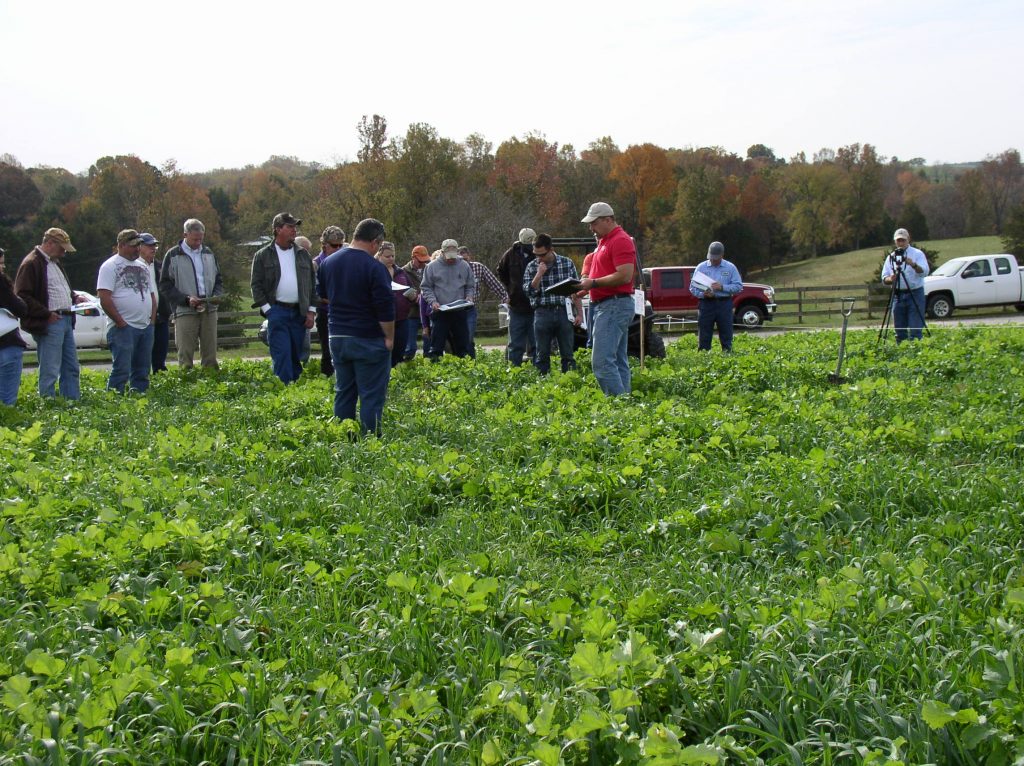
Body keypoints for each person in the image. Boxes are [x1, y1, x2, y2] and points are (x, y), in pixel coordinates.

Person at [317, 218, 394, 436]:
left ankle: (344, 437)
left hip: (337, 336)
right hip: (367, 337)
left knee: (344, 391)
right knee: (371, 394)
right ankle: (371, 440)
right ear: (375, 242)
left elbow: (323, 296)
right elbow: (385, 307)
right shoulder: (374, 267)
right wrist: (389, 337)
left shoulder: (328, 263)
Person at [14, 227, 87, 399]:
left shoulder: (54, 263)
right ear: (49, 243)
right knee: (50, 368)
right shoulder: (31, 263)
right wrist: (46, 314)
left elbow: (59, 289)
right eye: (62, 248)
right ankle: (47, 402)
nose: (63, 253)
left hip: (66, 319)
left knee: (71, 366)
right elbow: (22, 295)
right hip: (50, 322)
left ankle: (71, 400)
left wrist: (74, 297)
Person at [576, 202, 636, 396]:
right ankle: (626, 404)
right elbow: (601, 271)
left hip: (613, 305)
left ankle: (619, 408)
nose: (591, 228)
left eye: (594, 223)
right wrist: (585, 286)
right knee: (617, 361)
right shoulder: (604, 241)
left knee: (601, 363)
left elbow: (625, 275)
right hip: (609, 304)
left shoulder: (620, 240)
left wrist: (593, 284)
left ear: (608, 220)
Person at [250, 212, 316, 383]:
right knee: (282, 354)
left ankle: (294, 390)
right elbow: (256, 286)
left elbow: (312, 285)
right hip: (277, 311)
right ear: (278, 229)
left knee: (296, 354)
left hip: (299, 312)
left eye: (295, 227)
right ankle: (283, 389)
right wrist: (268, 310)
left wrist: (311, 312)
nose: (294, 230)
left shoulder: (303, 254)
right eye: (290, 226)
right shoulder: (263, 255)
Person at [97, 230, 157, 393]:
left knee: (142, 369)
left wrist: (151, 321)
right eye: (132, 246)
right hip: (123, 327)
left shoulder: (143, 266)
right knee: (122, 368)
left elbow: (151, 295)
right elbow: (105, 298)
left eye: (138, 245)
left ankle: (139, 397)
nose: (137, 249)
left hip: (145, 326)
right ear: (121, 245)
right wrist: (121, 323)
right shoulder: (110, 266)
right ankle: (115, 398)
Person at [159, 219, 224, 370]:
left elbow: (218, 279)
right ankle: (186, 381)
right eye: (195, 239)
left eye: (201, 238)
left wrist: (216, 295)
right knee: (185, 352)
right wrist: (185, 299)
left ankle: (211, 379)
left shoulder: (208, 253)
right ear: (185, 235)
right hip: (185, 310)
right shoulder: (173, 255)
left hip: (209, 308)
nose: (198, 242)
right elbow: (165, 285)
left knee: (210, 351)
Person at [522, 234, 583, 375]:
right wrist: (539, 275)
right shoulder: (532, 266)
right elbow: (528, 292)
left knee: (567, 354)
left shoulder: (567, 263)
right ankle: (543, 385)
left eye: (542, 254)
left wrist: (579, 313)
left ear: (551, 249)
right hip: (542, 313)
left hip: (563, 311)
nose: (539, 258)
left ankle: (569, 382)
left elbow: (576, 290)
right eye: (536, 254)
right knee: (541, 354)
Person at [420, 239, 476, 360]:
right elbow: (426, 287)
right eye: (448, 256)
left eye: (453, 256)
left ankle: (463, 372)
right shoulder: (431, 267)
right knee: (437, 347)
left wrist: (469, 296)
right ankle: (437, 372)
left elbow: (470, 285)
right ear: (442, 252)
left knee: (462, 347)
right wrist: (433, 301)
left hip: (459, 312)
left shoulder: (464, 266)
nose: (451, 259)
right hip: (440, 312)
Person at [690, 241, 743, 352]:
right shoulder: (701, 267)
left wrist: (722, 287)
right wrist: (702, 294)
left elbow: (738, 286)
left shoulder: (730, 268)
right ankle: (704, 359)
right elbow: (692, 287)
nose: (713, 260)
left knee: (726, 335)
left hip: (724, 304)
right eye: (711, 257)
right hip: (706, 304)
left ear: (722, 255)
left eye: (716, 258)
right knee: (704, 335)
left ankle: (727, 358)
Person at [881, 227, 929, 343]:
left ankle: (917, 351)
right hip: (898, 295)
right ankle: (902, 350)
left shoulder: (917, 254)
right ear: (895, 241)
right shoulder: (891, 257)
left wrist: (913, 264)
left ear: (908, 240)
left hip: (915, 293)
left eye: (903, 240)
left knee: (915, 328)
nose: (901, 243)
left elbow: (924, 272)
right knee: (899, 329)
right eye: (898, 240)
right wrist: (891, 279)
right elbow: (884, 278)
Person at [497, 228, 537, 365]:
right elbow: (501, 270)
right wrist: (509, 288)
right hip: (516, 305)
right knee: (515, 343)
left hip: (534, 305)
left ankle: (539, 370)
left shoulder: (539, 254)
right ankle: (514, 370)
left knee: (536, 342)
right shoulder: (510, 254)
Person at [376, 241, 416, 367]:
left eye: (393, 256)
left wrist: (413, 296)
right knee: (383, 352)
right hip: (381, 320)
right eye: (387, 256)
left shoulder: (401, 272)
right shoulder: (374, 271)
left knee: (399, 351)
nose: (391, 259)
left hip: (401, 319)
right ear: (379, 255)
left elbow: (410, 288)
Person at [460, 245, 507, 350]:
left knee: (469, 338)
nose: (464, 263)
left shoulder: (478, 268)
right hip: (455, 310)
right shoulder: (453, 269)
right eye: (461, 260)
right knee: (457, 339)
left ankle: (470, 362)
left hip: (470, 308)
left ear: (470, 257)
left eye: (465, 259)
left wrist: (505, 296)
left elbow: (493, 283)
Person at [314, 226, 346, 376]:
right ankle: (327, 379)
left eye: (341, 245)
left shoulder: (346, 262)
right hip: (325, 312)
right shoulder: (316, 264)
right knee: (327, 350)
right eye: (335, 245)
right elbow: (314, 293)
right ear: (324, 245)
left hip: (344, 312)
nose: (338, 248)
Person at [0, 247, 28, 406]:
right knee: (6, 402)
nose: (3, 267)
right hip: (6, 343)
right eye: (1, 263)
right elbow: (20, 309)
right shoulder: (1, 282)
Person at [139, 233, 171, 372]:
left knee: (160, 352)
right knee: (142, 355)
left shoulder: (160, 266)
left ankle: (160, 382)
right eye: (149, 245)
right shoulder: (135, 266)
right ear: (139, 247)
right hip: (142, 318)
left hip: (161, 316)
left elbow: (167, 287)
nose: (153, 248)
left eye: (154, 245)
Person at [400, 245, 431, 360]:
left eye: (425, 260)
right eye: (420, 261)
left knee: (429, 346)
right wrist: (414, 297)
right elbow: (402, 288)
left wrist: (425, 297)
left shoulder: (429, 269)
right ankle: (407, 368)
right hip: (411, 313)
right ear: (413, 258)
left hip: (426, 313)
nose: (423, 263)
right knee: (410, 348)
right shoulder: (403, 271)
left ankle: (429, 366)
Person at [295, 235, 315, 364]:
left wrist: (311, 311)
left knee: (304, 344)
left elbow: (313, 289)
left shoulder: (310, 266)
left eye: (308, 251)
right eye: (304, 250)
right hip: (288, 309)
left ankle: (303, 369)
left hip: (304, 310)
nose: (307, 254)